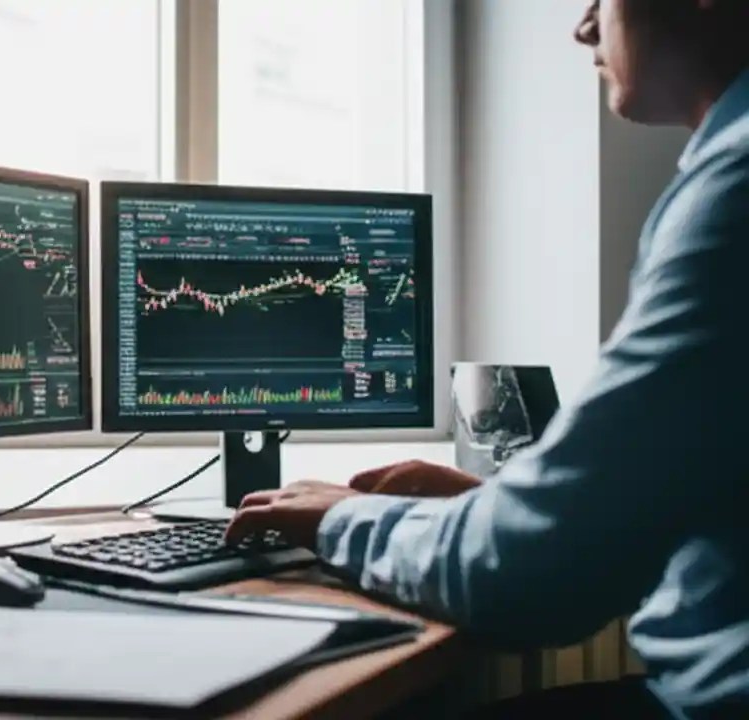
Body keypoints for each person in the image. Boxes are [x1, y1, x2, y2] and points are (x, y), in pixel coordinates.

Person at [225, 2, 749, 718]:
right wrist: (489, 509)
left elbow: (534, 580)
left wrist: (342, 520)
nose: (585, 27)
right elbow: (671, 510)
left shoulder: (735, 190)